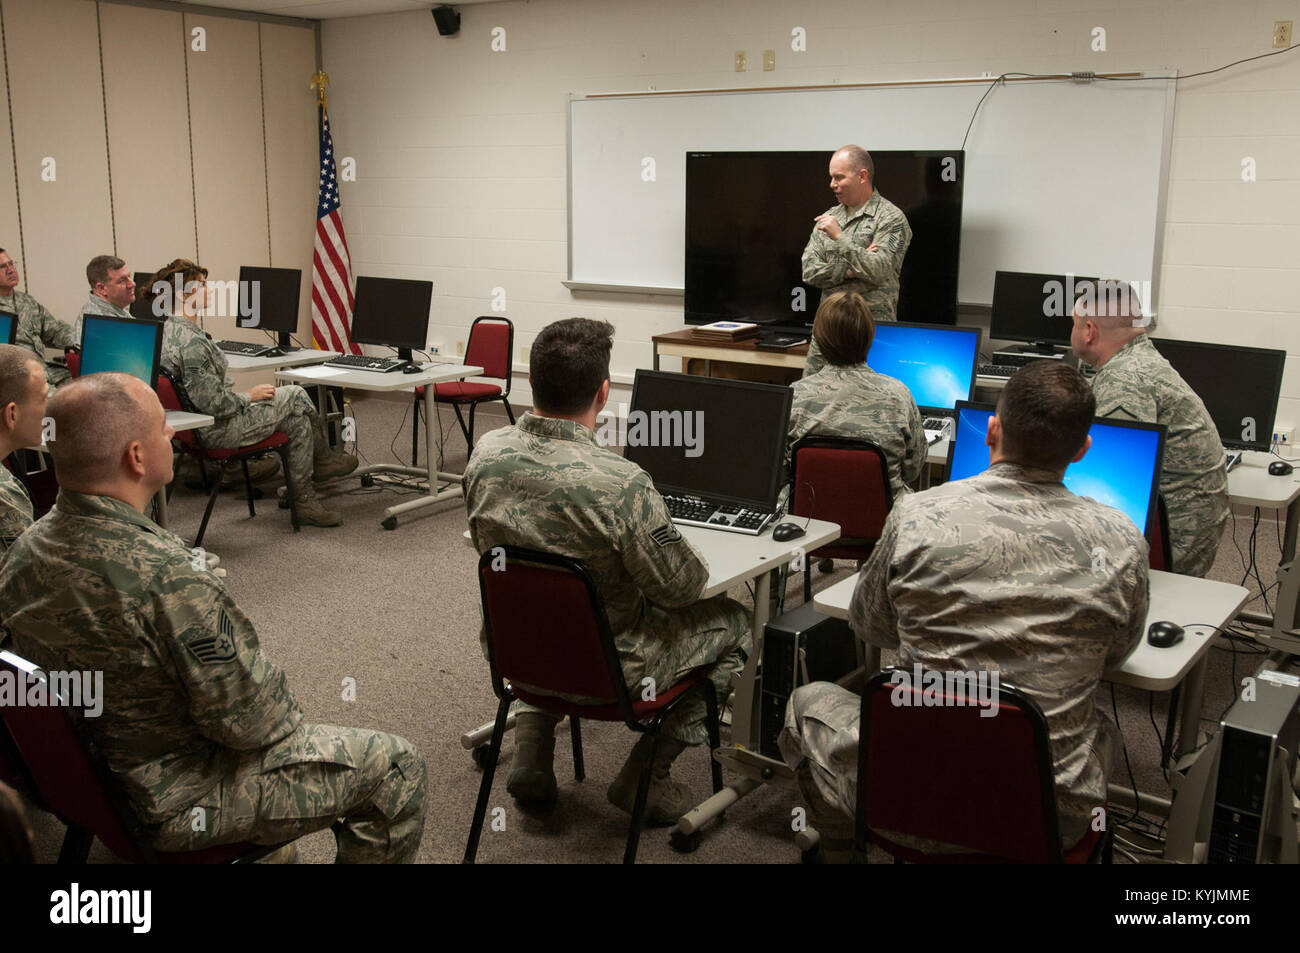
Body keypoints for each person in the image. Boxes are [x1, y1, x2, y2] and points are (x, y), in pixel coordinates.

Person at [0, 372, 427, 862]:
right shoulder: (169, 578)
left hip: (85, 788)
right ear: (136, 458)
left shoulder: (24, 551)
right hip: (173, 802)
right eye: (163, 429)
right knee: (397, 769)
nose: (172, 437)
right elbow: (259, 724)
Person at [779, 360, 1148, 861]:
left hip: (903, 802)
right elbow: (1115, 654)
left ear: (992, 431)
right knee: (1095, 724)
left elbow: (871, 627)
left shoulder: (916, 515)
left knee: (806, 704)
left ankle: (842, 850)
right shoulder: (1123, 542)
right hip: (1047, 821)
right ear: (1083, 449)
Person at [464, 317, 750, 823]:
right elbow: (681, 588)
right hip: (612, 670)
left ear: (531, 381)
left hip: (519, 654)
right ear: (602, 391)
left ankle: (532, 749)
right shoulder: (621, 484)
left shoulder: (485, 455)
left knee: (546, 610)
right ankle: (645, 778)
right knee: (737, 621)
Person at [146, 258, 356, 528]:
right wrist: (250, 395)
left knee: (297, 421)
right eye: (202, 285)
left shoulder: (164, 331)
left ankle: (303, 499)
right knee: (294, 394)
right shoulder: (193, 344)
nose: (209, 290)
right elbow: (216, 405)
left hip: (191, 432)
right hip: (219, 429)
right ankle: (320, 465)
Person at [1070, 279, 1229, 577]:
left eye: (1075, 324)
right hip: (1184, 520)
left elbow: (1114, 478)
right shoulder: (1138, 358)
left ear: (1089, 331)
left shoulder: (1124, 379)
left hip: (1172, 537)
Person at [787, 291, 925, 500]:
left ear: (819, 339)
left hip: (808, 521)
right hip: (884, 524)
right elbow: (914, 468)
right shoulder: (898, 395)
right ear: (870, 336)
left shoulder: (794, 395)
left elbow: (779, 469)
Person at [800, 145, 912, 377]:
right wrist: (851, 269)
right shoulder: (829, 218)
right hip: (828, 334)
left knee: (874, 406)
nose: (832, 184)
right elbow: (809, 271)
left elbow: (879, 269)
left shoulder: (891, 219)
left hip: (873, 336)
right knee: (812, 399)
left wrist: (840, 239)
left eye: (839, 177)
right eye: (831, 177)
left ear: (862, 176)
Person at [0, 249, 76, 386]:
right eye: (2, 267)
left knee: (85, 389)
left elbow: (55, 329)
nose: (10, 270)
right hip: (20, 379)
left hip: (46, 371)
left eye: (11, 264)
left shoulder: (26, 301)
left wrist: (78, 341)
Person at [0, 345, 48, 552]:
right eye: (44, 398)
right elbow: (23, 580)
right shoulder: (6, 498)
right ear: (12, 414)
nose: (49, 409)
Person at [77, 255, 136, 336]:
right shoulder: (102, 324)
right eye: (122, 280)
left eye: (129, 277)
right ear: (101, 288)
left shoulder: (112, 310)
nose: (132, 284)